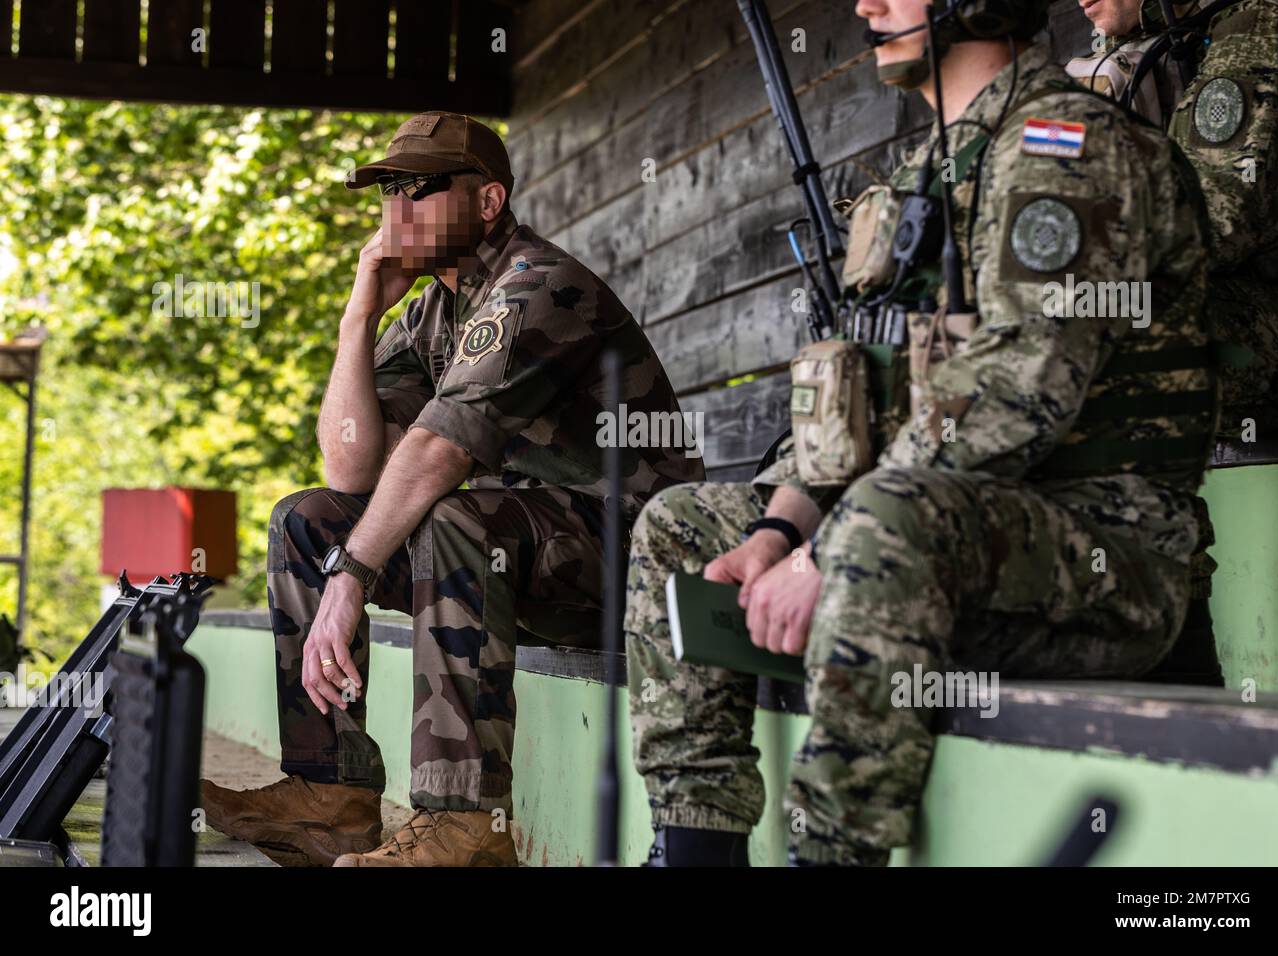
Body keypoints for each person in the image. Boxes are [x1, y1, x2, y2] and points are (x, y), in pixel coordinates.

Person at [625, 0, 1215, 866]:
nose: (867, 5)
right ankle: (694, 852)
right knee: (681, 526)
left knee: (880, 520)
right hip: (941, 536)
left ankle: (831, 856)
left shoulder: (1069, 146)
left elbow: (1023, 386)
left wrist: (823, 557)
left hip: (1108, 557)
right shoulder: (923, 176)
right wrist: (776, 533)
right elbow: (852, 405)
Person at [201, 111, 704, 867]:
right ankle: (329, 795)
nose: (394, 210)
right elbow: (349, 468)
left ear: (488, 202)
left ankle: (465, 827)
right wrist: (358, 316)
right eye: (386, 192)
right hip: (518, 556)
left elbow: (439, 451)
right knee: (307, 519)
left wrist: (353, 576)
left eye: (419, 189)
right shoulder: (434, 309)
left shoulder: (537, 286)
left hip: (629, 559)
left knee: (454, 518)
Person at [1068, 0, 1278, 681]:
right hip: (1209, 301)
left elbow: (1221, 213)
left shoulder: (1257, 23)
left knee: (1114, 359)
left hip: (1274, 317)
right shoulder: (1130, 50)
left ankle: (1175, 664)